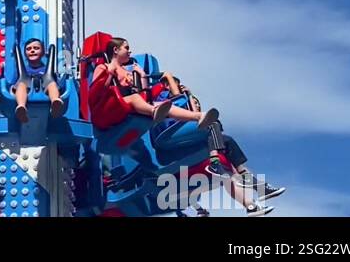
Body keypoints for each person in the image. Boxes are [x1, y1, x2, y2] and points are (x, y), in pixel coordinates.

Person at [152, 70, 286, 212]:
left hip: (189, 137)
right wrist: (169, 76)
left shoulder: (186, 106)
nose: (179, 87)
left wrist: (190, 96)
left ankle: (252, 201)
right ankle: (216, 163)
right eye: (175, 84)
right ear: (167, 84)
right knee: (212, 124)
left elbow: (194, 110)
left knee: (227, 148)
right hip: (170, 134)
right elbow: (178, 98)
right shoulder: (164, 98)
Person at [92, 38, 218, 129]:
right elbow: (96, 91)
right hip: (108, 108)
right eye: (126, 48)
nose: (130, 52)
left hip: (129, 106)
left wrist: (141, 75)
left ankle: (199, 116)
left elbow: (144, 92)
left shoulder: (127, 71)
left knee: (167, 105)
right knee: (136, 99)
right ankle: (153, 111)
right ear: (115, 50)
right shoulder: (103, 67)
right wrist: (110, 72)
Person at [11, 38, 65, 123]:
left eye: (36, 48)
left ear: (43, 52)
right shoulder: (21, 71)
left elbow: (59, 85)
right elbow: (12, 85)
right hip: (27, 90)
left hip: (44, 89)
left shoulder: (47, 70)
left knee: (52, 84)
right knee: (21, 85)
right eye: (29, 49)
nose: (32, 51)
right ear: (25, 53)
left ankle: (55, 102)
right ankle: (21, 107)